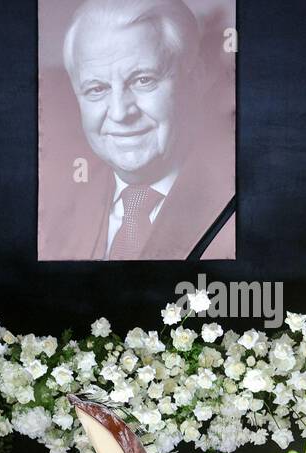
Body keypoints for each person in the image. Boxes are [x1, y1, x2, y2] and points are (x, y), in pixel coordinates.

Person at [42, 0, 235, 260]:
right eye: (97, 89)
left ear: (196, 78)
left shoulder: (237, 212)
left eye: (144, 80)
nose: (121, 113)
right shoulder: (54, 213)